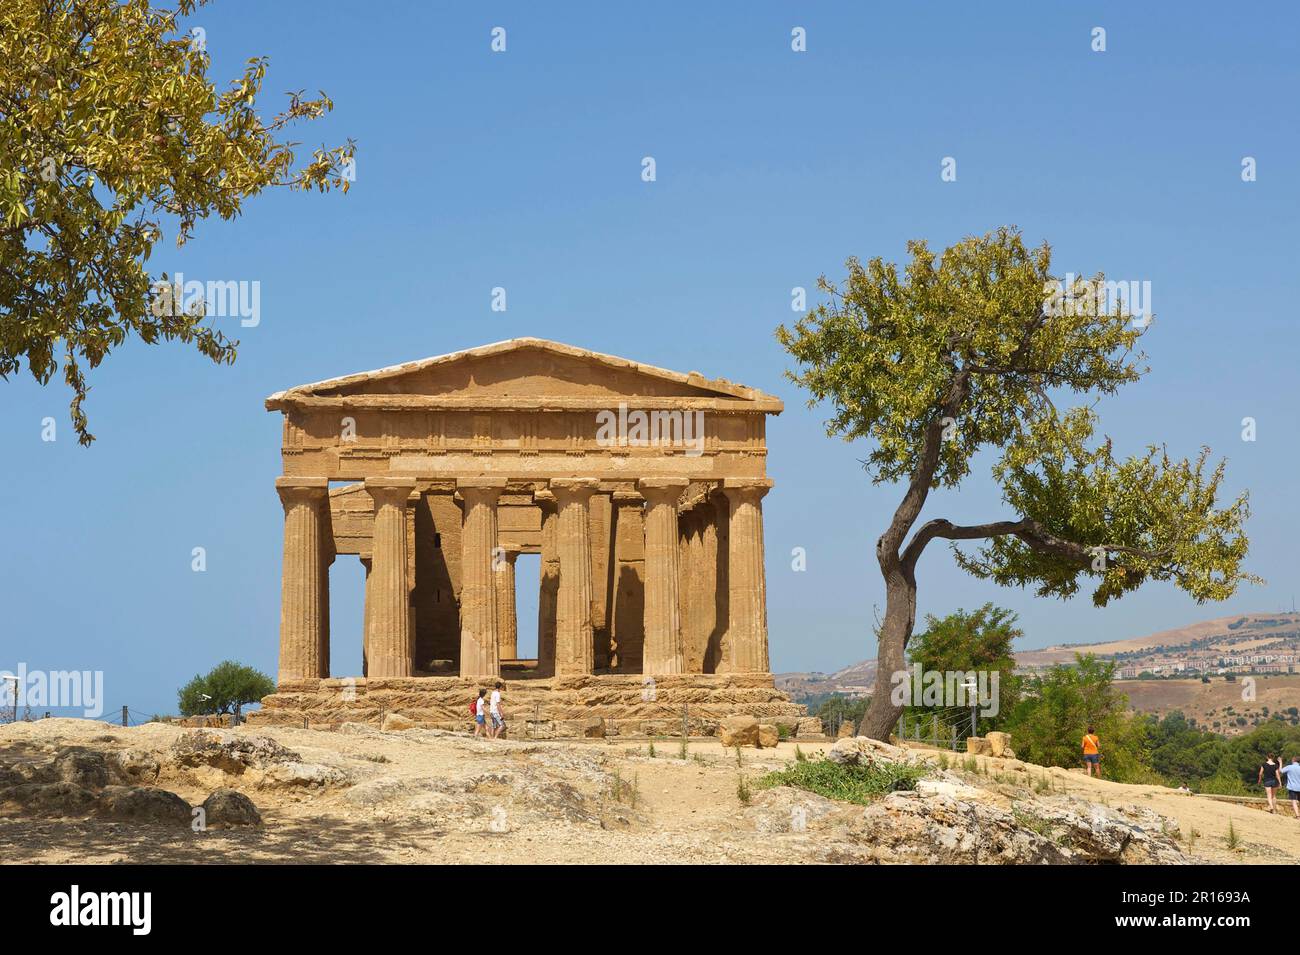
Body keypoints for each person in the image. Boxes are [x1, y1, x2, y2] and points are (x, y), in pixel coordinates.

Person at [1281, 755, 1300, 819]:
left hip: (1292, 787)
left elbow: (1281, 771)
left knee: (1294, 802)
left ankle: (1297, 816)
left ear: (1293, 760)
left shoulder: (1289, 767)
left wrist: (1280, 762)